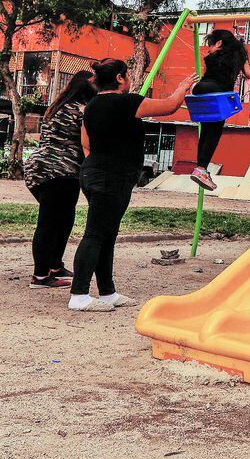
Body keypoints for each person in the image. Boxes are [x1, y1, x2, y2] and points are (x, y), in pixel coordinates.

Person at [68, 59, 198, 312]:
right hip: (111, 176)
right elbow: (169, 106)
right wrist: (183, 88)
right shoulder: (127, 102)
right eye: (126, 75)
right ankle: (79, 294)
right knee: (96, 234)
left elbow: (86, 142)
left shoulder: (92, 106)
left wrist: (96, 165)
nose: (128, 79)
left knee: (107, 234)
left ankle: (107, 292)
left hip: (97, 172)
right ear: (119, 78)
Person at [24, 70, 96, 289]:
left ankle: (54, 266)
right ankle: (40, 276)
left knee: (62, 221)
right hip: (59, 170)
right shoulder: (82, 110)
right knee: (50, 223)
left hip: (40, 168)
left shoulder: (56, 107)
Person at [190, 29, 250, 191]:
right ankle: (201, 169)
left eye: (210, 45)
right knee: (214, 132)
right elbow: (249, 74)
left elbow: (205, 76)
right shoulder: (240, 54)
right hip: (218, 92)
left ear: (219, 43)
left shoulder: (210, 57)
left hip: (201, 89)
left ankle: (200, 168)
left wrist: (196, 87)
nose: (209, 49)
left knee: (206, 130)